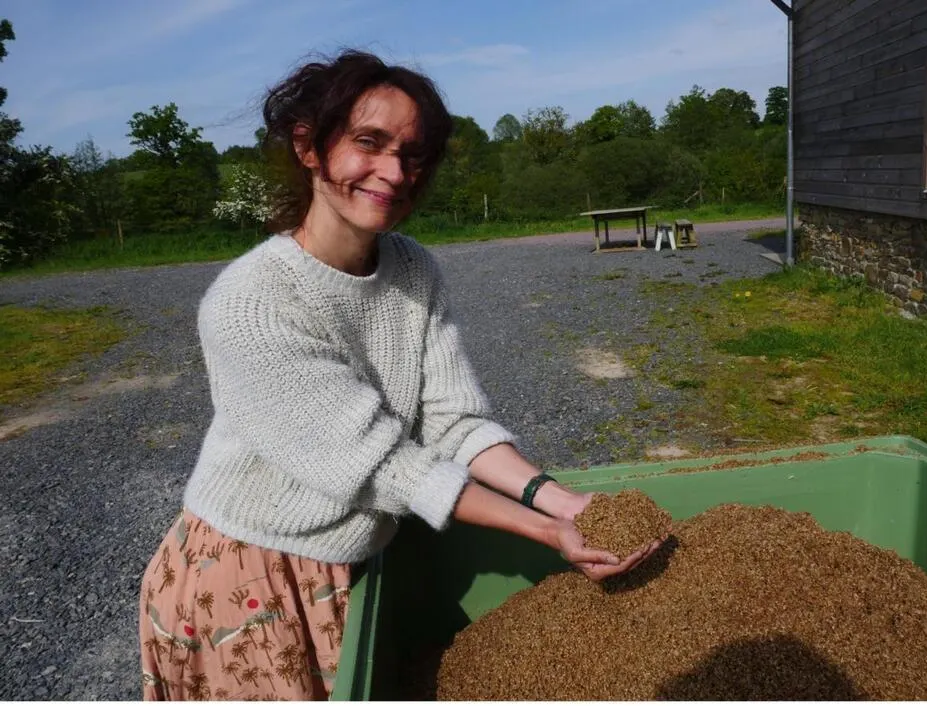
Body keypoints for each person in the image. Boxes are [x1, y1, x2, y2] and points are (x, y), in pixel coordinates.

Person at [138, 48, 662, 701]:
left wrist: (563, 501)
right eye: (369, 143)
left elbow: (453, 421)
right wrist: (547, 533)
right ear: (309, 145)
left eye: (412, 155)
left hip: (354, 558)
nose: (394, 172)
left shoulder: (412, 268)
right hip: (252, 573)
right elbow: (386, 466)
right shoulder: (251, 304)